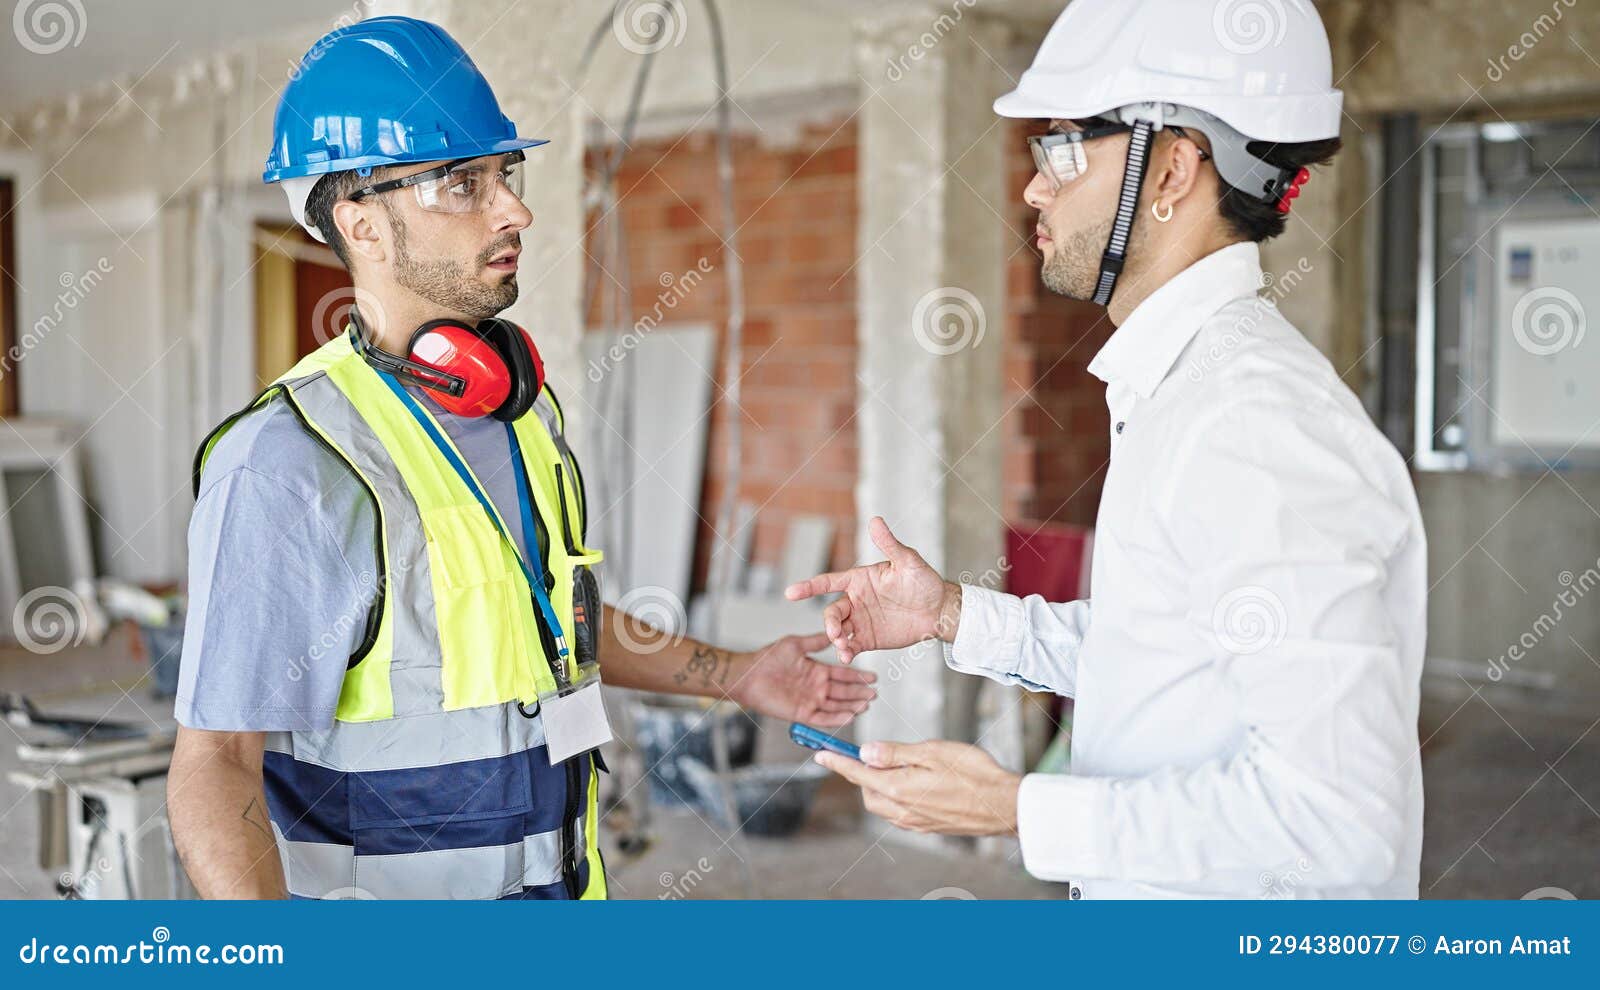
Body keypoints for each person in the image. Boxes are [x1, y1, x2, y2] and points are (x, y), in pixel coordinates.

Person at [168, 16, 876, 900]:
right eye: (462, 182)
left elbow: (549, 625)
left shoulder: (522, 414)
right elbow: (215, 765)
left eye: (506, 173)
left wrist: (738, 675)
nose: (516, 209)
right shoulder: (289, 462)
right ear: (364, 225)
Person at [787, 0, 1426, 899]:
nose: (1033, 188)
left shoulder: (1252, 425)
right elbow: (1165, 657)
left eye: (1062, 148)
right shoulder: (1181, 390)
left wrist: (1018, 808)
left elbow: (1337, 828)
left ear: (1171, 168)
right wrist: (952, 616)